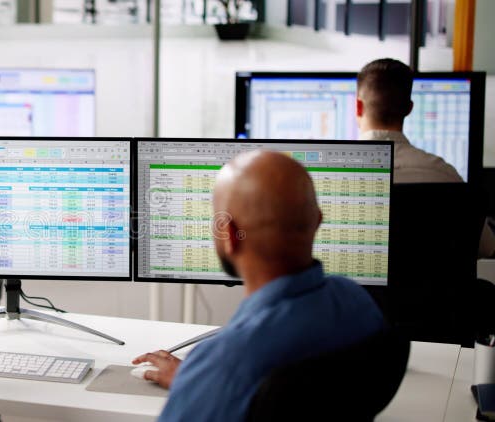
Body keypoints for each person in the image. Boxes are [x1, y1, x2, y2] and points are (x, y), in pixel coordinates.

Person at [133, 151, 385, 421]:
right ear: (317, 221)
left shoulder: (221, 365)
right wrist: (197, 381)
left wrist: (198, 383)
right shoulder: (356, 301)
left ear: (229, 235)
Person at [356, 58, 495, 258]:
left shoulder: (324, 177)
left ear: (358, 107)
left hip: (352, 290)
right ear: (409, 108)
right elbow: (487, 247)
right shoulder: (445, 175)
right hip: (434, 290)